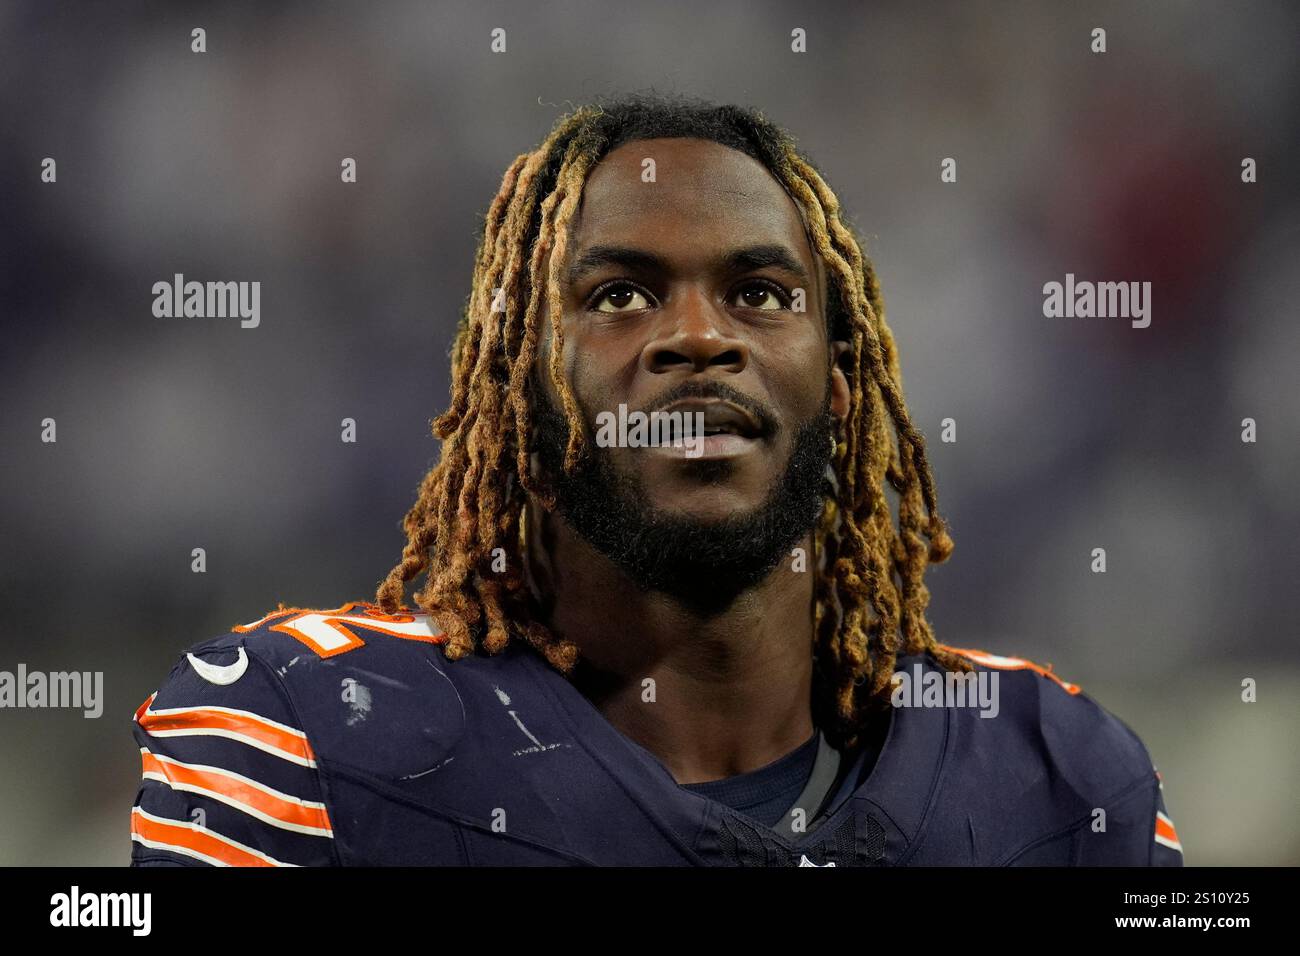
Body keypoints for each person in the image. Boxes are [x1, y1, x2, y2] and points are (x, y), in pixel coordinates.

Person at [127, 94, 1182, 866]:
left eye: (760, 292)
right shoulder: (311, 740)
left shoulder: (1065, 776)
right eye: (622, 293)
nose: (696, 336)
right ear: (516, 389)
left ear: (845, 380)